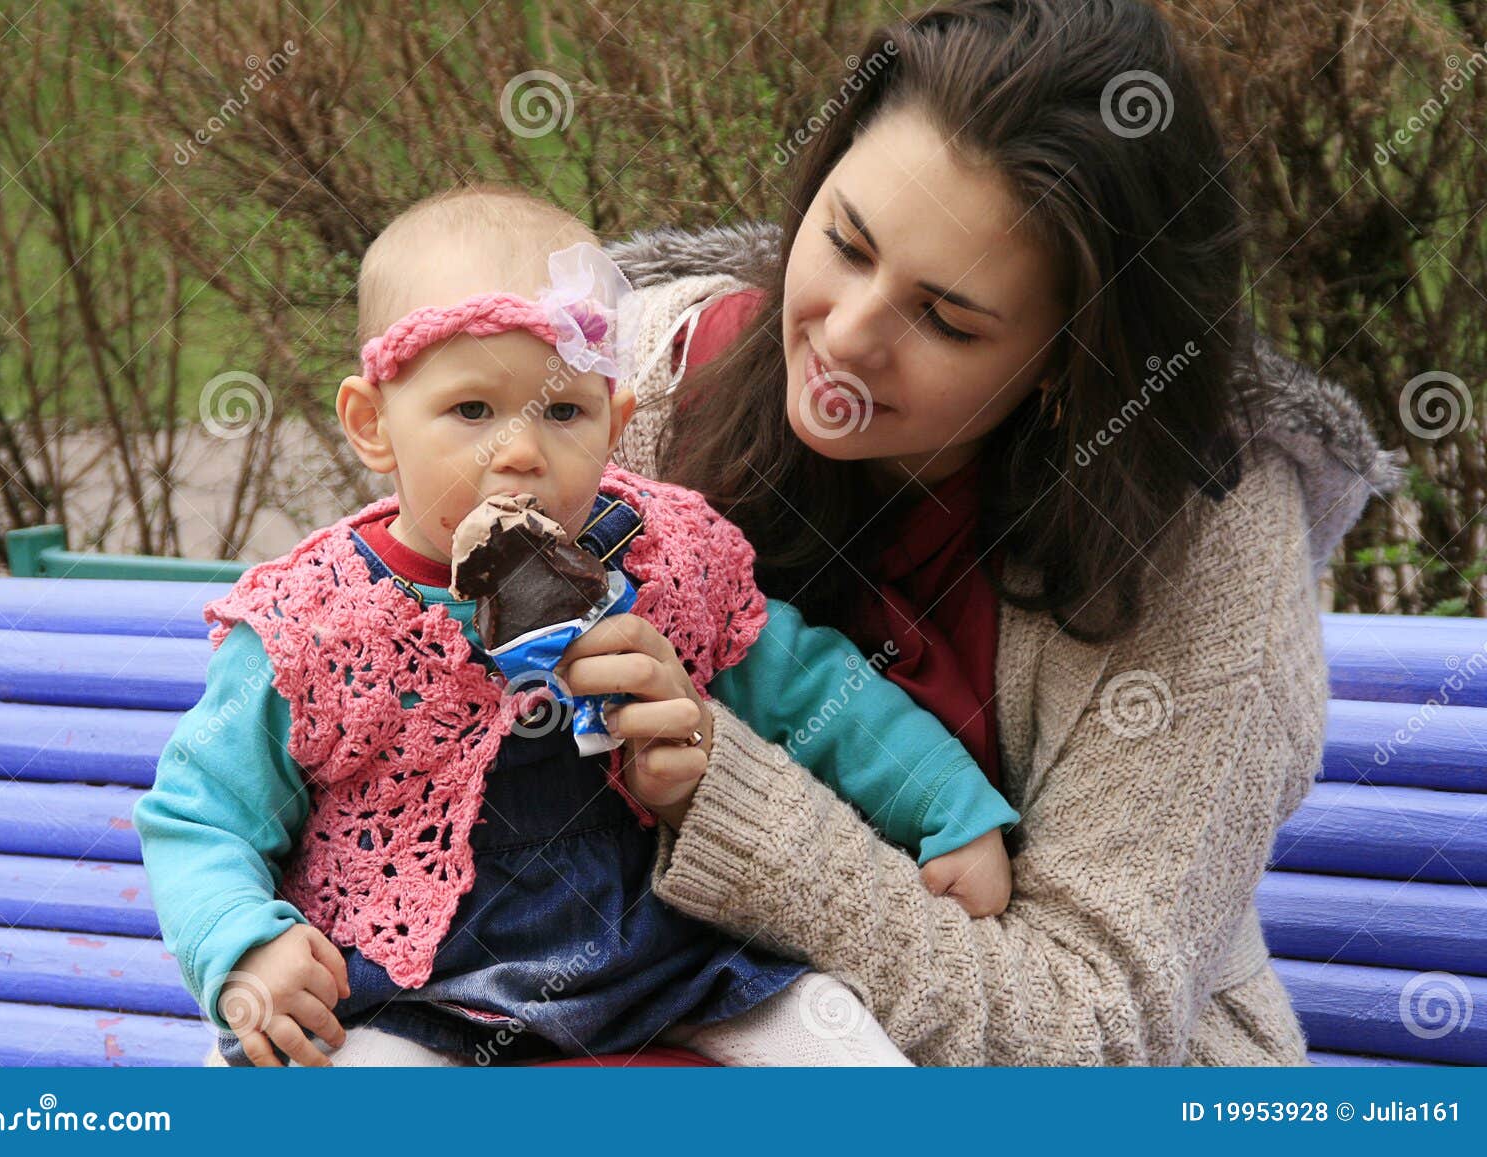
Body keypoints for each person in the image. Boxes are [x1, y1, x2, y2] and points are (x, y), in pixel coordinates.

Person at [574, 0, 1399, 1065]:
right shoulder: (633, 383)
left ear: (1073, 359)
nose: (848, 336)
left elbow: (1083, 1034)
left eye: (947, 319)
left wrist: (725, 796)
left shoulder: (1203, 543)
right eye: (845, 243)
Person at [132, 184, 1026, 1068]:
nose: (521, 449)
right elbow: (203, 810)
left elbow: (818, 690)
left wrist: (949, 807)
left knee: (832, 1025)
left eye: (563, 411)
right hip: (415, 989)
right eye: (472, 411)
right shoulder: (316, 623)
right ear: (374, 424)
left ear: (614, 422)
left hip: (665, 958)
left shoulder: (661, 557)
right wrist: (246, 946)